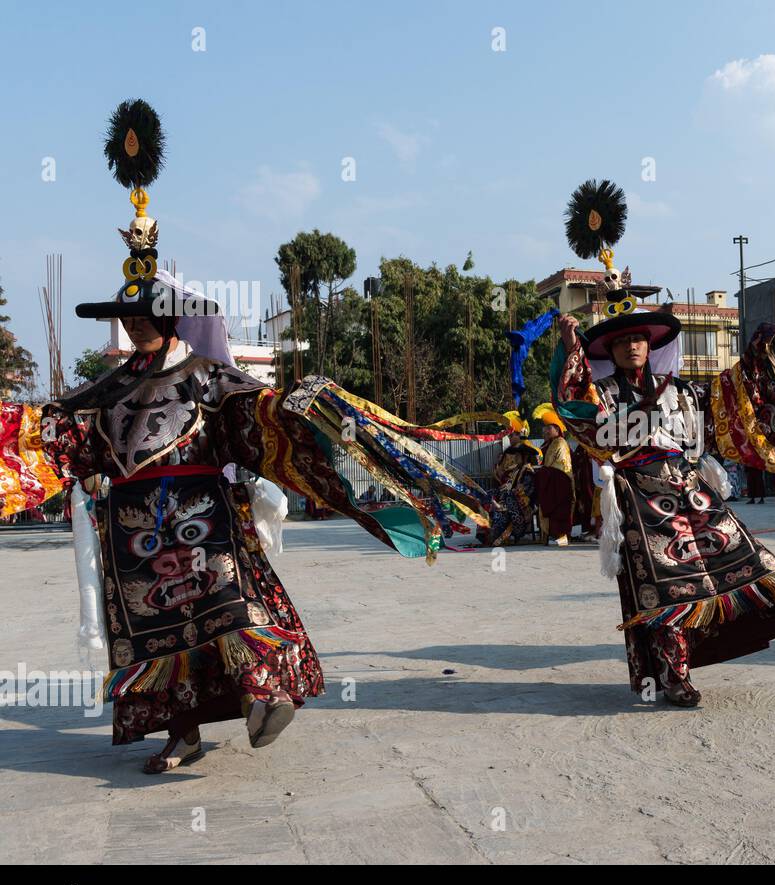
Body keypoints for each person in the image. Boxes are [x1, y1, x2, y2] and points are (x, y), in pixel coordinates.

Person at [0, 101, 490, 773]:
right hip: (137, 532)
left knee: (234, 609)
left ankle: (266, 696)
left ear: (171, 318)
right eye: (130, 316)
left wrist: (305, 409)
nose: (139, 324)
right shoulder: (103, 393)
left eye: (149, 314)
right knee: (161, 645)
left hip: (203, 520)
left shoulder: (207, 375)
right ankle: (183, 733)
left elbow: (257, 419)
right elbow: (50, 435)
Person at [551, 179, 775, 706]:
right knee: (669, 587)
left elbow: (722, 410)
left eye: (639, 339)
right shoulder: (601, 391)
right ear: (611, 347)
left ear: (650, 346)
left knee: (747, 556)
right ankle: (672, 676)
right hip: (639, 495)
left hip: (690, 487)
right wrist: (570, 351)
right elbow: (582, 418)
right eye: (623, 339)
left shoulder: (678, 389)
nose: (632, 346)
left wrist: (760, 357)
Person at [532, 403, 574, 546]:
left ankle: (562, 535)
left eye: (549, 428)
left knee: (560, 510)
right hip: (550, 480)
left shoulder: (560, 443)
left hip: (560, 483)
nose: (545, 431)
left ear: (557, 428)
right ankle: (549, 534)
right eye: (544, 428)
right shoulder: (547, 444)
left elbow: (558, 467)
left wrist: (540, 470)